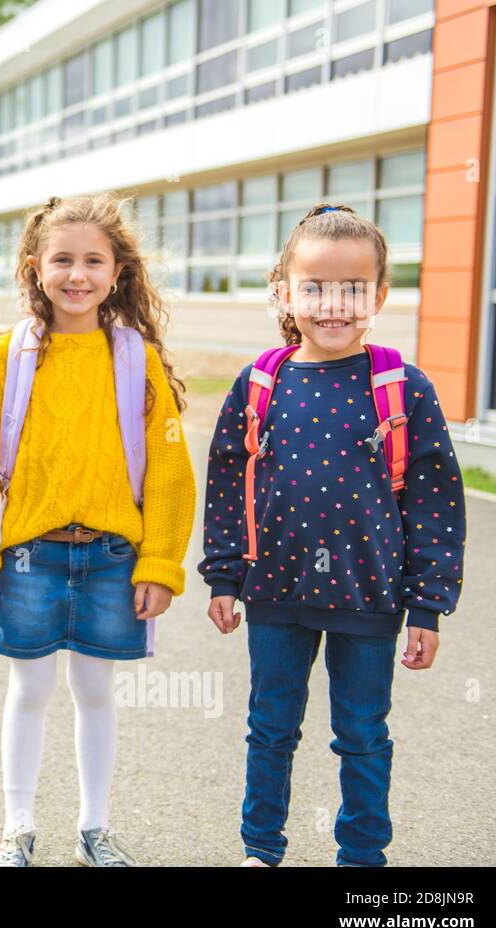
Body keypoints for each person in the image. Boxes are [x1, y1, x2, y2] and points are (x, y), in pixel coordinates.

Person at [199, 202, 466, 866]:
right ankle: (261, 848)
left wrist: (427, 606)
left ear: (378, 294)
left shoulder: (402, 387)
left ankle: (362, 857)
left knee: (363, 736)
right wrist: (224, 577)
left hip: (370, 599)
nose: (333, 304)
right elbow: (229, 483)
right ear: (285, 291)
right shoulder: (262, 383)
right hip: (275, 594)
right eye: (315, 286)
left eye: (352, 288)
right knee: (270, 732)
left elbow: (435, 506)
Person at [0, 194, 196, 867]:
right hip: (30, 556)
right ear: (36, 268)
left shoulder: (134, 357)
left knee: (95, 692)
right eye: (62, 259)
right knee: (28, 690)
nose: (77, 274)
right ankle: (17, 827)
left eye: (94, 261)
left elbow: (171, 472)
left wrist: (160, 565)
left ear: (116, 272)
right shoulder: (12, 355)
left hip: (114, 558)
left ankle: (95, 828)